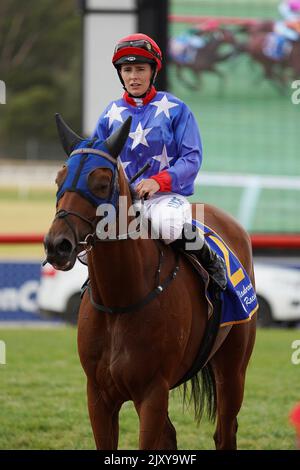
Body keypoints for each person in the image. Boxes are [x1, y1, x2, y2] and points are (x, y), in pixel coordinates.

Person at [92, 33, 227, 290]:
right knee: (90, 239)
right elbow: (97, 162)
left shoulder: (176, 109)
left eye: (140, 69)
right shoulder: (110, 114)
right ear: (120, 73)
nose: (133, 76)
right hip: (123, 202)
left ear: (153, 71)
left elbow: (191, 158)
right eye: (127, 69)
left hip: (165, 198)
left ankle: (212, 265)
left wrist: (158, 181)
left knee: (168, 224)